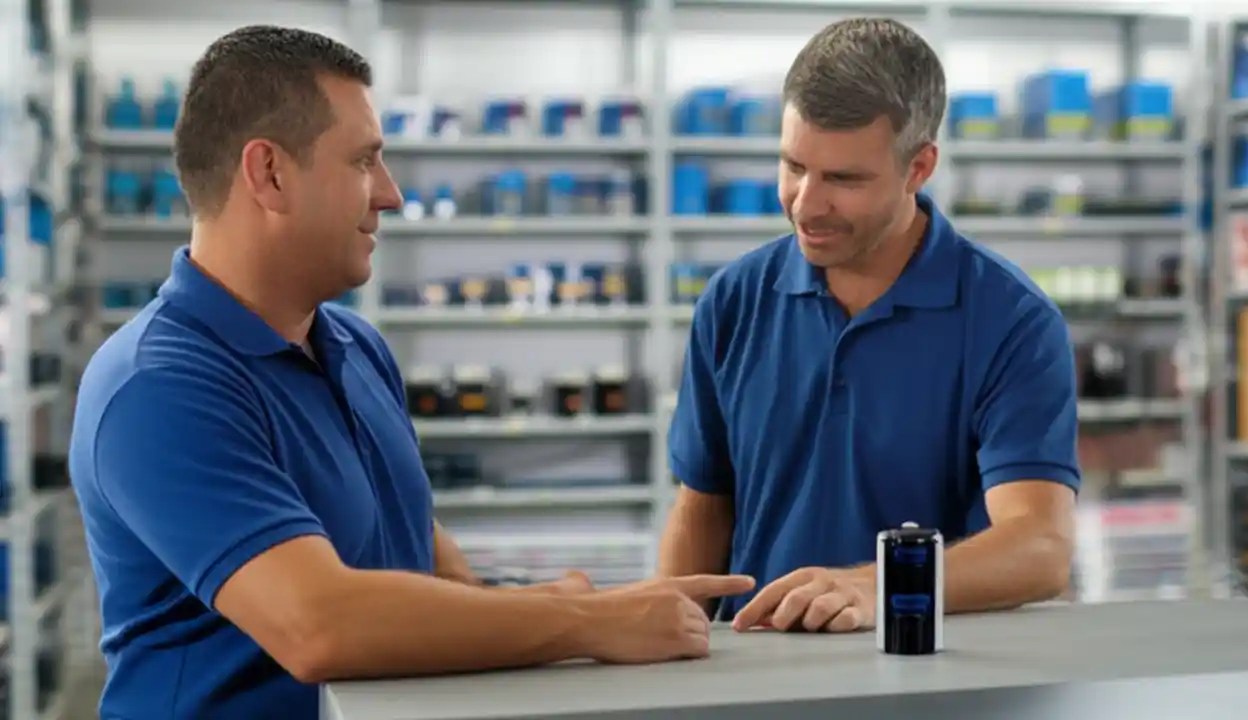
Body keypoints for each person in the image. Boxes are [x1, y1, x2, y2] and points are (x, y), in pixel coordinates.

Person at [69, 25, 753, 720]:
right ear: (269, 173)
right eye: (364, 161)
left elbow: (426, 564)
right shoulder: (156, 386)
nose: (391, 194)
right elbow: (316, 625)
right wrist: (586, 622)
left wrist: (560, 603)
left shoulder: (355, 348)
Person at [657, 17, 1080, 633]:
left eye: (844, 179)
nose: (806, 204)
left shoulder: (1012, 321)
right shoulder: (733, 301)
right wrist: (666, 639)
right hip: (754, 665)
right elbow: (703, 507)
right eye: (794, 166)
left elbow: (1040, 546)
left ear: (919, 167)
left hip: (932, 663)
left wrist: (875, 585)